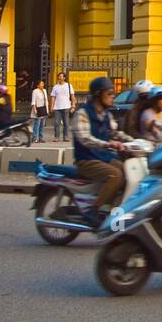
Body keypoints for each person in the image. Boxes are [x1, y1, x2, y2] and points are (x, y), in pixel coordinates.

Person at [71, 76, 131, 223]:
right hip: (87, 159)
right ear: (98, 95)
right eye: (108, 94)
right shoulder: (82, 113)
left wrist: (133, 141)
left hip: (103, 157)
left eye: (113, 94)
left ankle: (111, 208)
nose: (112, 97)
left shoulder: (106, 115)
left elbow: (114, 132)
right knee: (115, 175)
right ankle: (93, 210)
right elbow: (85, 138)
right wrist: (108, 144)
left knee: (128, 171)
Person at [50, 72, 75, 141]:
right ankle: (56, 137)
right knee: (56, 123)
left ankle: (65, 136)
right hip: (57, 107)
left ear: (64, 78)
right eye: (59, 76)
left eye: (61, 76)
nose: (60, 78)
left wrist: (73, 104)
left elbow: (72, 96)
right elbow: (53, 97)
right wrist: (51, 106)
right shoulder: (55, 87)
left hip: (66, 106)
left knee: (66, 123)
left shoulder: (69, 85)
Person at [30, 78, 48, 143]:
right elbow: (33, 101)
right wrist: (35, 110)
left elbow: (46, 101)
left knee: (42, 125)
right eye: (41, 84)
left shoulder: (44, 91)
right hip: (37, 109)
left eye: (43, 83)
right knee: (37, 124)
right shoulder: (35, 91)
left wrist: (47, 110)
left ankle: (41, 137)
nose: (42, 85)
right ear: (37, 85)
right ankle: (35, 137)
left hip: (43, 109)